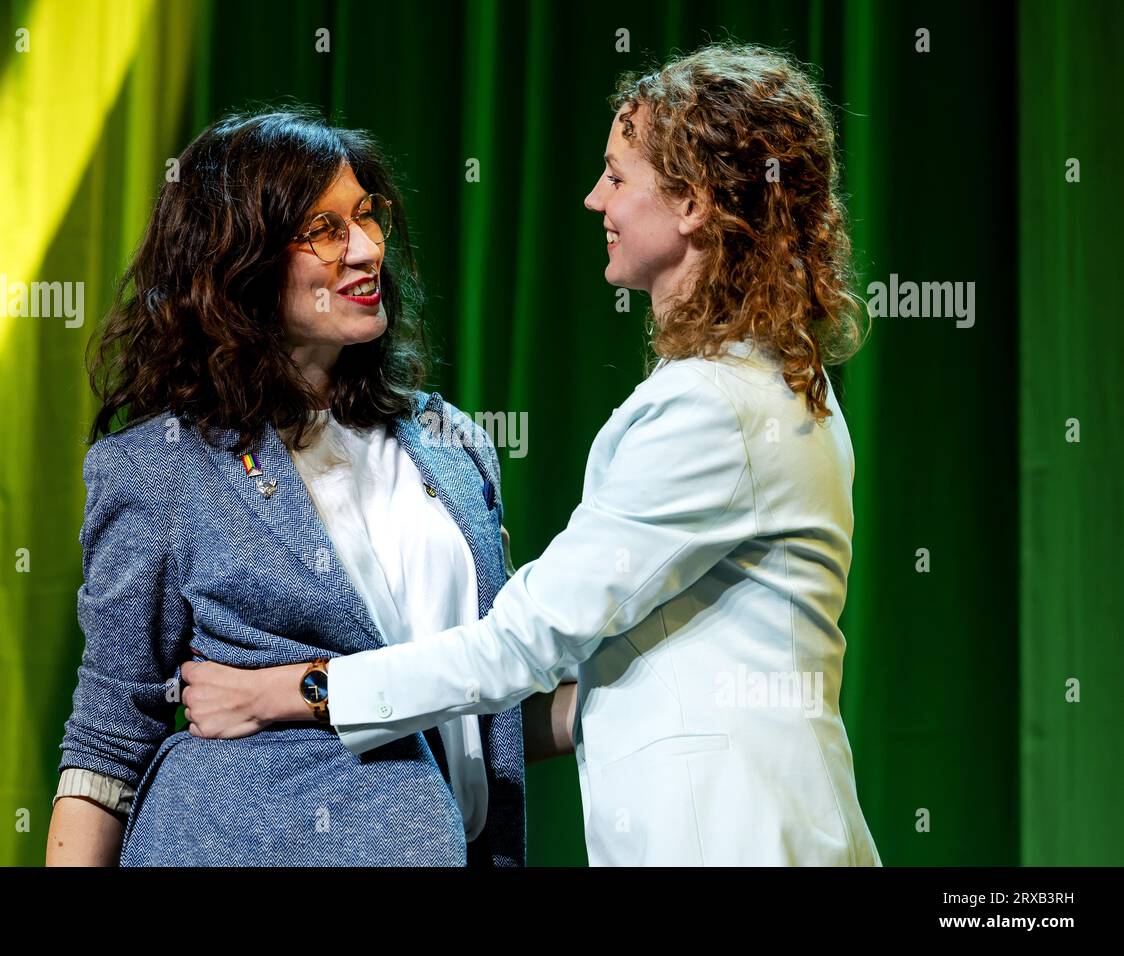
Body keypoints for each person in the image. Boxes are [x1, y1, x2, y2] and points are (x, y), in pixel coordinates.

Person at [205, 44, 883, 866]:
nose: (596, 197)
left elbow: (522, 644)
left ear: (694, 203)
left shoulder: (712, 406)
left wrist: (292, 692)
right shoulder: (776, 380)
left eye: (618, 176)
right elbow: (633, 670)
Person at [45, 108, 543, 867]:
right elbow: (111, 732)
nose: (367, 249)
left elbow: (490, 686)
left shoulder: (453, 445)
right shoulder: (159, 469)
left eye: (366, 217)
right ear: (237, 264)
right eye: (325, 229)